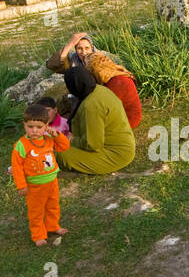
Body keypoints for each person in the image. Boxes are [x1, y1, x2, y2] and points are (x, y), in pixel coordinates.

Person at [54, 66, 136, 174]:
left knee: (61, 154)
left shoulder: (91, 106)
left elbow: (93, 144)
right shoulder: (98, 90)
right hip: (123, 146)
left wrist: (71, 140)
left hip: (116, 154)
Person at [11, 103, 71, 246]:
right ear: (24, 125)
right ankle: (38, 234)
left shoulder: (49, 139)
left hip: (52, 182)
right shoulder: (21, 145)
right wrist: (21, 185)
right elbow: (17, 167)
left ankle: (53, 226)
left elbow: (64, 146)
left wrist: (57, 135)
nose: (35, 131)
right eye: (30, 127)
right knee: (36, 211)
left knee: (53, 206)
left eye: (39, 127)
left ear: (46, 125)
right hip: (34, 186)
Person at [86, 52, 142, 129]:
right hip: (122, 115)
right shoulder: (113, 77)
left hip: (127, 120)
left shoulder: (118, 82)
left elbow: (105, 110)